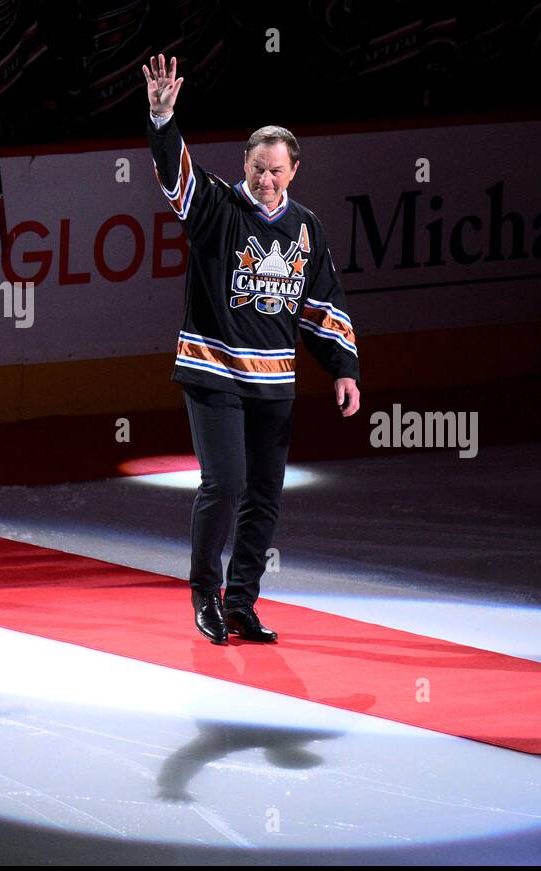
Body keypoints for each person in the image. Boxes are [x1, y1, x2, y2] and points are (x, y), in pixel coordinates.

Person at [142, 54, 361, 645]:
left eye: (276, 172)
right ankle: (204, 595)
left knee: (264, 493)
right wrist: (163, 119)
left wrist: (343, 368)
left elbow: (321, 304)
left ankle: (242, 601)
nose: (266, 180)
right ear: (244, 164)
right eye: (257, 169)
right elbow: (176, 176)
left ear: (294, 172)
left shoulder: (307, 228)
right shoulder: (216, 206)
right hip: (213, 374)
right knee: (226, 482)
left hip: (274, 384)